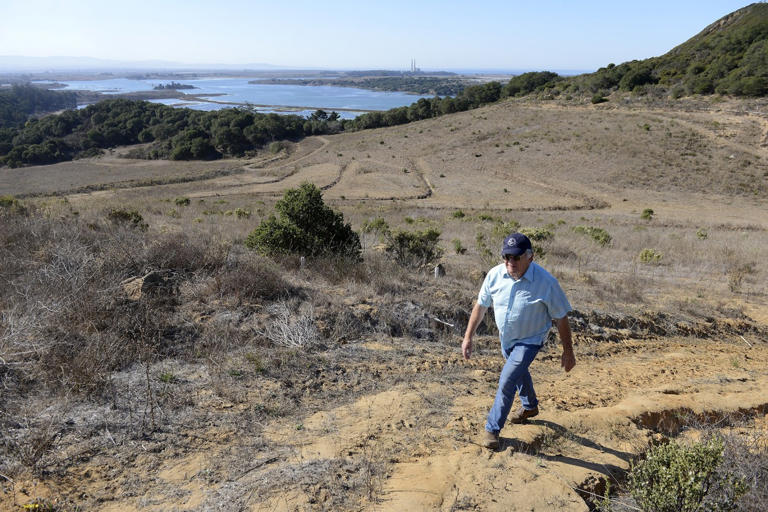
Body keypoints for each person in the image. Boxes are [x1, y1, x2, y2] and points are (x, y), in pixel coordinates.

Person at [461, 232, 575, 450]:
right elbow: (481, 305)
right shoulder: (495, 275)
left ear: (530, 257)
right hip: (507, 339)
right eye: (506, 257)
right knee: (518, 372)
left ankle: (492, 429)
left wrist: (568, 351)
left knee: (507, 379)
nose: (510, 262)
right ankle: (530, 405)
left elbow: (561, 317)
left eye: (516, 257)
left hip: (531, 339)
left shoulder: (546, 282)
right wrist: (468, 337)